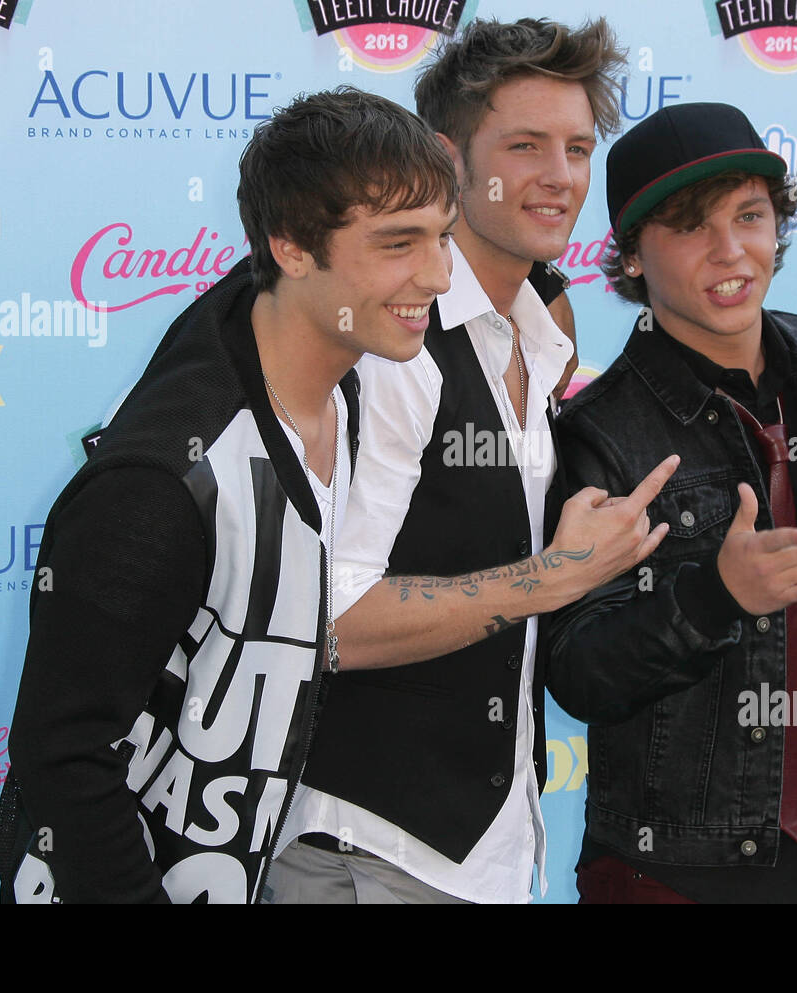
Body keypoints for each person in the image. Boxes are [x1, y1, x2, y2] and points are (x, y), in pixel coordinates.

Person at [0, 87, 459, 903]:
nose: (438, 273)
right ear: (291, 246)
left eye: (443, 235)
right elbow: (61, 754)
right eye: (397, 243)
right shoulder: (164, 482)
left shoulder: (337, 382)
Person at [267, 18, 674, 904]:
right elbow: (327, 619)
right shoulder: (393, 345)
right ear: (450, 162)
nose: (560, 177)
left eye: (576, 147)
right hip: (365, 855)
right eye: (524, 146)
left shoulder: (542, 329)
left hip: (483, 852)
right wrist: (555, 576)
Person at [546, 102, 797, 904]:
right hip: (669, 869)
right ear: (633, 258)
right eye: (688, 226)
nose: (730, 250)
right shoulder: (598, 431)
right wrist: (716, 596)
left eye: (750, 216)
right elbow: (579, 668)